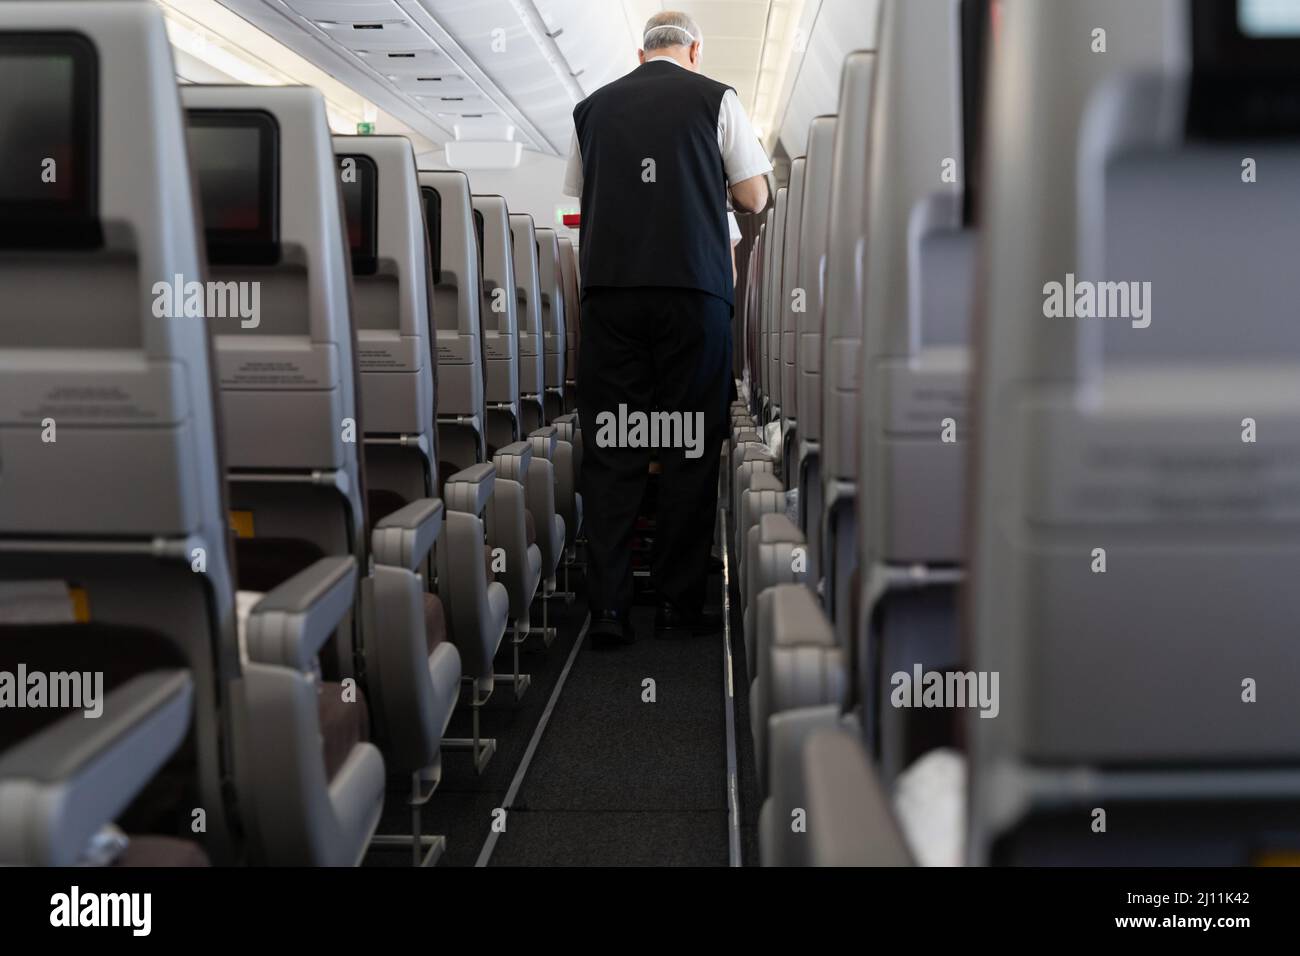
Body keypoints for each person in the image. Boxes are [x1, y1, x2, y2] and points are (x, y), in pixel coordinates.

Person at [563, 11, 772, 644]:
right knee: (689, 444)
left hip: (611, 294)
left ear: (640, 52)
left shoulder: (591, 108)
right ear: (694, 51)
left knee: (612, 447)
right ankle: (680, 606)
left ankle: (609, 610)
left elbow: (578, 193)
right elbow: (756, 196)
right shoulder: (717, 99)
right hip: (693, 292)